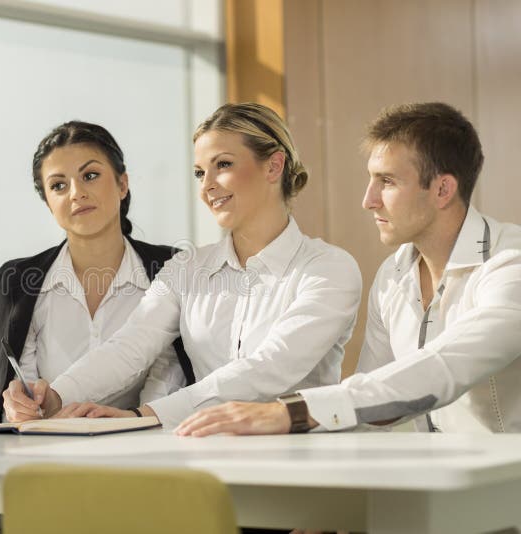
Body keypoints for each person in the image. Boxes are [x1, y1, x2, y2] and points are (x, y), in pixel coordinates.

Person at [3, 102, 362, 430]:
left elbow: (270, 367)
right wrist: (55, 395)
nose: (207, 186)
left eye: (223, 165)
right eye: (199, 173)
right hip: (209, 462)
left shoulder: (329, 269)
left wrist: (146, 415)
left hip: (304, 466)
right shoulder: (185, 268)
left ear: (274, 165)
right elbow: (129, 346)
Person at [176, 102, 521, 437]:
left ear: (443, 189)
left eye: (386, 181)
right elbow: (372, 405)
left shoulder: (510, 263)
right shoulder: (393, 275)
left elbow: (445, 366)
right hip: (441, 485)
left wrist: (293, 411)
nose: (368, 200)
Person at [0, 121, 194, 534]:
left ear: (122, 184)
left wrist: (130, 420)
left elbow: (171, 380)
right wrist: (19, 405)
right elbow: (0, 391)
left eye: (90, 175)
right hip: (41, 464)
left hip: (147, 463)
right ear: (47, 202)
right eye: (58, 185)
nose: (76, 193)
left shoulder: (173, 269)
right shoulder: (15, 281)